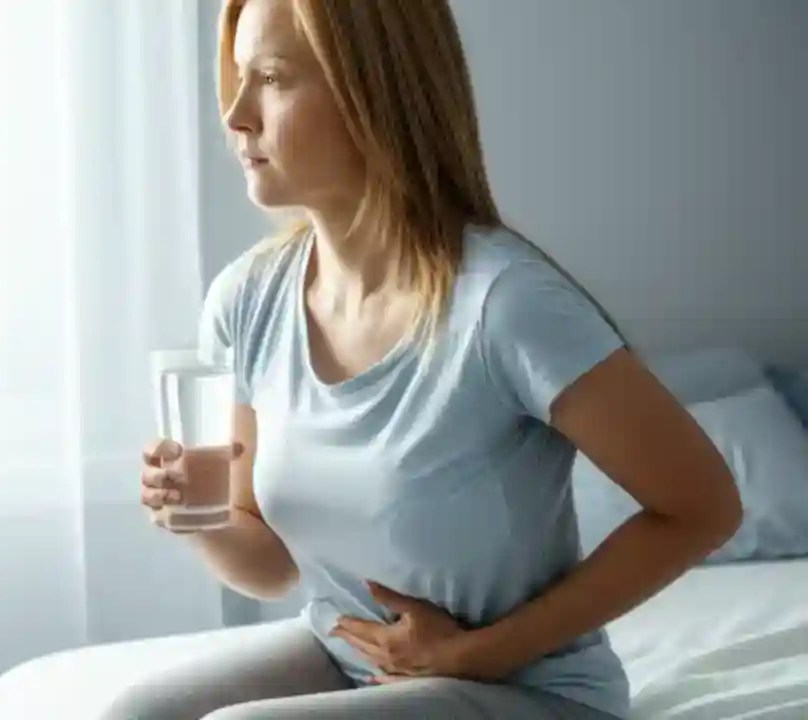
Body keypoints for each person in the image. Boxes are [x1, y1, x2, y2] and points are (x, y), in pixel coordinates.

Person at [122, 1, 743, 719]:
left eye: (272, 78)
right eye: (238, 77)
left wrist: (485, 651)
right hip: (353, 665)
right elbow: (270, 566)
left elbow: (703, 507)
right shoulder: (249, 299)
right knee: (135, 715)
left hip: (521, 692)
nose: (235, 114)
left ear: (374, 92)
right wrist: (195, 517)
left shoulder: (505, 304)